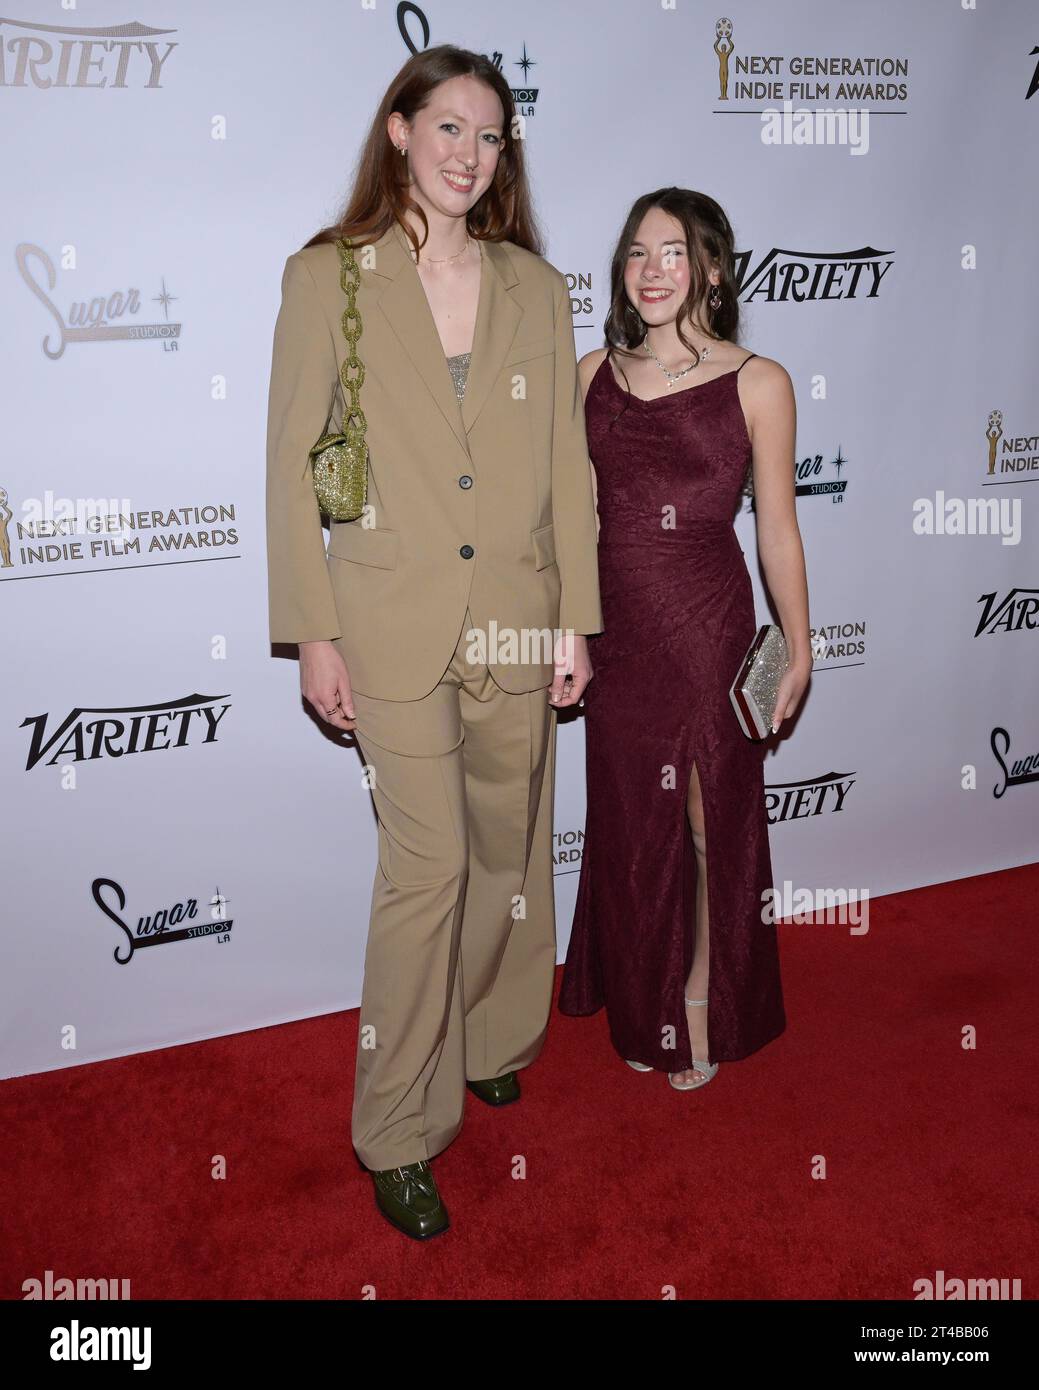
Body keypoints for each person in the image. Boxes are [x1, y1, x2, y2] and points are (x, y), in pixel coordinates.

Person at [265, 45, 602, 1240]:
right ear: (399, 131)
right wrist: (312, 631)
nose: (469, 153)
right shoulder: (330, 278)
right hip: (388, 617)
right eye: (448, 127)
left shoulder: (536, 287)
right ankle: (396, 1127)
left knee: (509, 856)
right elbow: (291, 467)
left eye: (491, 135)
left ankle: (494, 1035)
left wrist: (574, 614)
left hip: (517, 609)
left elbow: (566, 463)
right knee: (430, 873)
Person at [558, 189, 811, 1090]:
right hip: (617, 633)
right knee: (632, 823)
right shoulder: (590, 373)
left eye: (672, 253)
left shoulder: (758, 381)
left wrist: (800, 643)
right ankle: (642, 999)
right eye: (636, 254)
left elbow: (776, 528)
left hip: (708, 629)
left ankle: (700, 993)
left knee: (709, 822)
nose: (651, 270)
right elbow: (568, 516)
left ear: (711, 268)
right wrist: (568, 630)